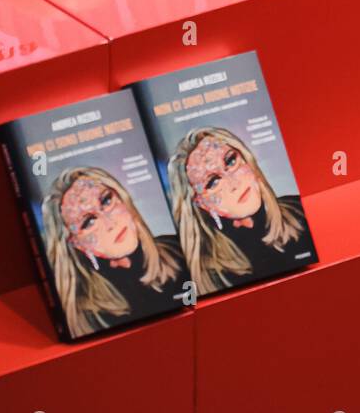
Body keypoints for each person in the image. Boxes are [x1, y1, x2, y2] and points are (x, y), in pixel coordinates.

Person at [167, 125, 316, 296]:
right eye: (213, 182)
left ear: (245, 157)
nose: (234, 182)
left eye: (230, 161)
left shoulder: (298, 211)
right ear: (201, 204)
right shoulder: (209, 272)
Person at [41, 166, 183, 338]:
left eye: (107, 201)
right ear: (75, 244)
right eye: (88, 222)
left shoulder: (177, 249)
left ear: (122, 198)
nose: (110, 223)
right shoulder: (86, 314)